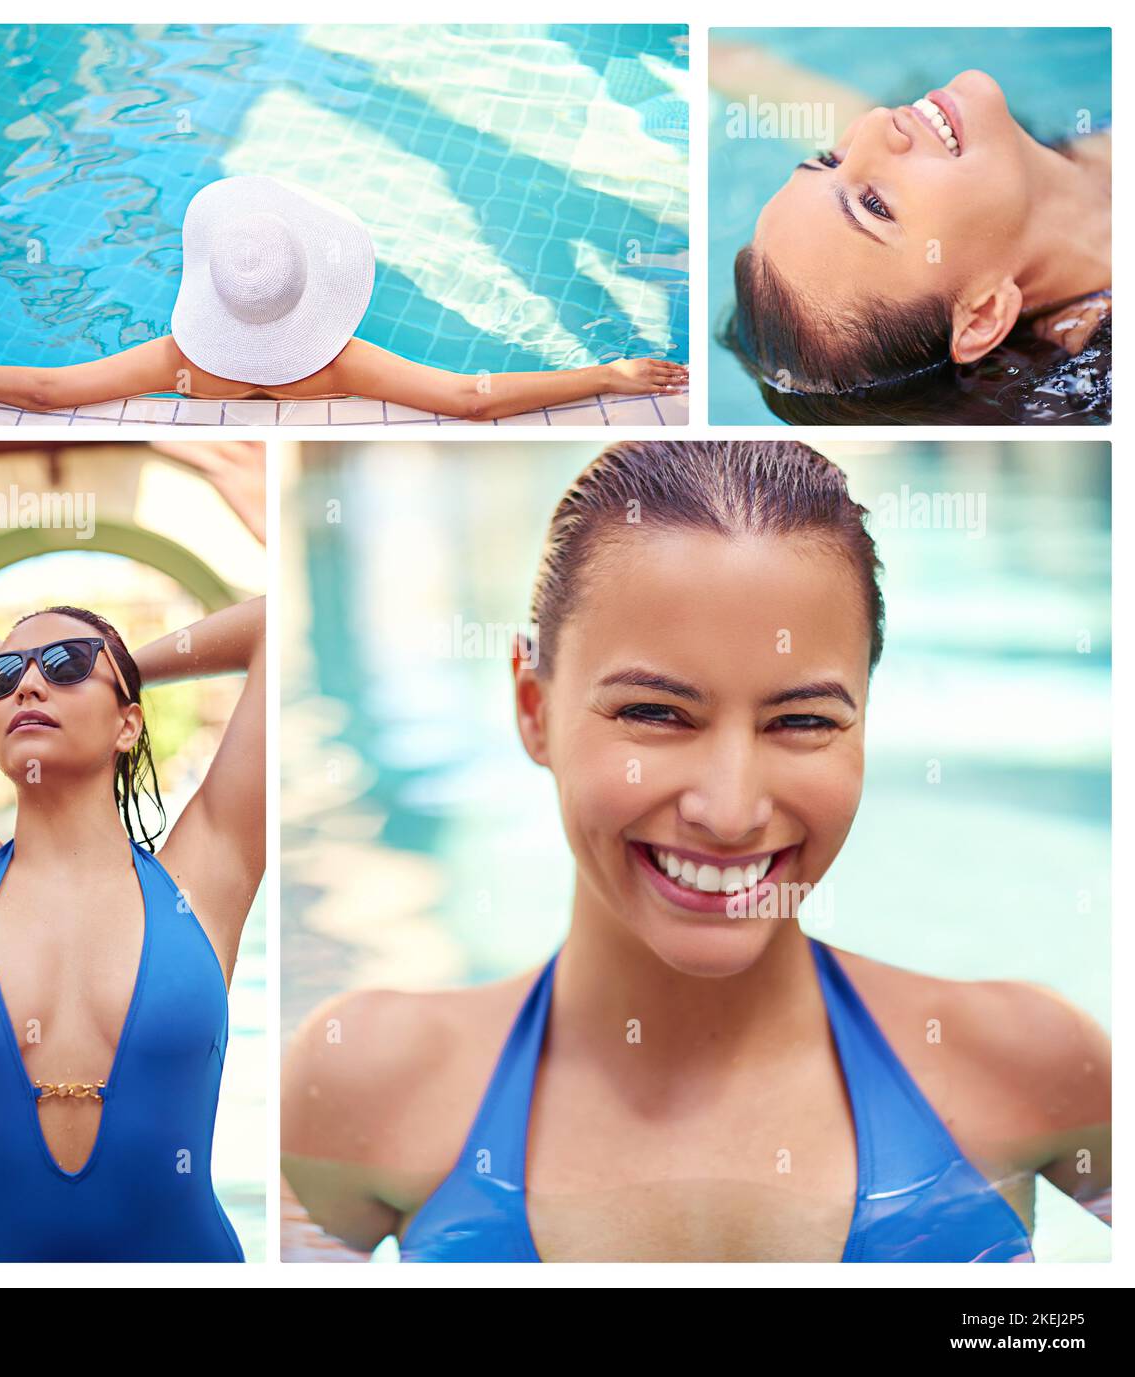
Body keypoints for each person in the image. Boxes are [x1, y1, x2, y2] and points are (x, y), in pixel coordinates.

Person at [281, 439, 1111, 1263]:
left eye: (803, 720)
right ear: (533, 705)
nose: (730, 811)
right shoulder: (368, 1083)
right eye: (655, 713)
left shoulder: (1027, 1063)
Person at [0, 586, 265, 1261]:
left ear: (128, 724)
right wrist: (38, 662)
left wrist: (123, 662)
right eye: (3, 676)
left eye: (66, 664)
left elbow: (269, 627)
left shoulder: (204, 878)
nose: (26, 686)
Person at [0, 174, 687, 420]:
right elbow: (471, 399)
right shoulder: (338, 366)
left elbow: (48, 391)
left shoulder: (182, 364)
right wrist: (605, 378)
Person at [714, 57, 1110, 423]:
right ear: (982, 317)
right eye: (875, 205)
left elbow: (752, 73)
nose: (875, 122)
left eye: (829, 159)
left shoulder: (976, 158)